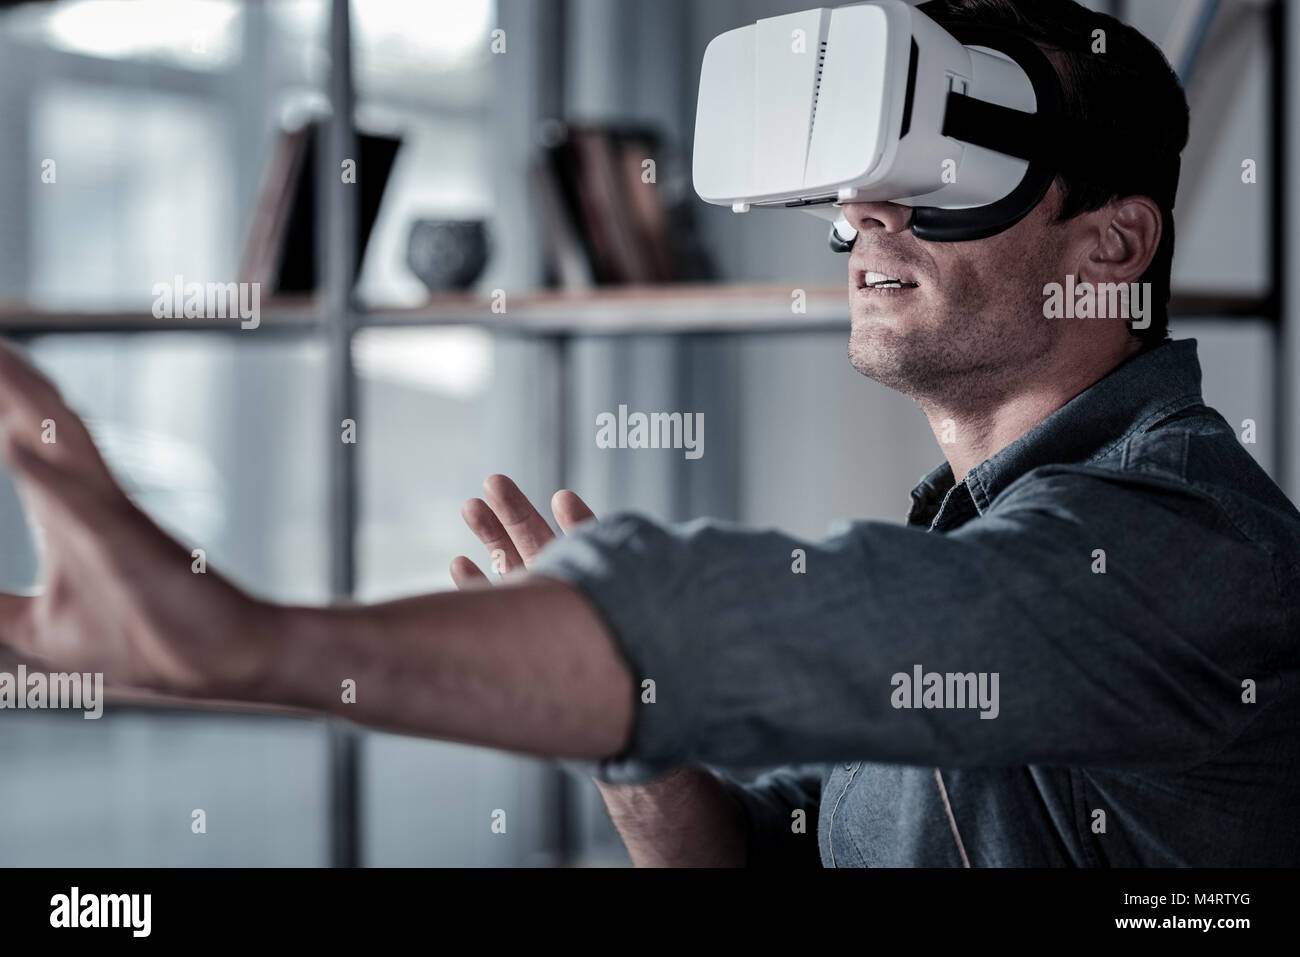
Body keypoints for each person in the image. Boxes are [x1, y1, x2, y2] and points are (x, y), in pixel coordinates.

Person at [1, 0, 1297, 867]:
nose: (869, 225)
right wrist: (632, 727)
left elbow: (816, 618)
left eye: (946, 183)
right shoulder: (963, 531)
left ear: (1113, 244)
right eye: (861, 189)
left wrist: (255, 642)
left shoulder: (1182, 550)